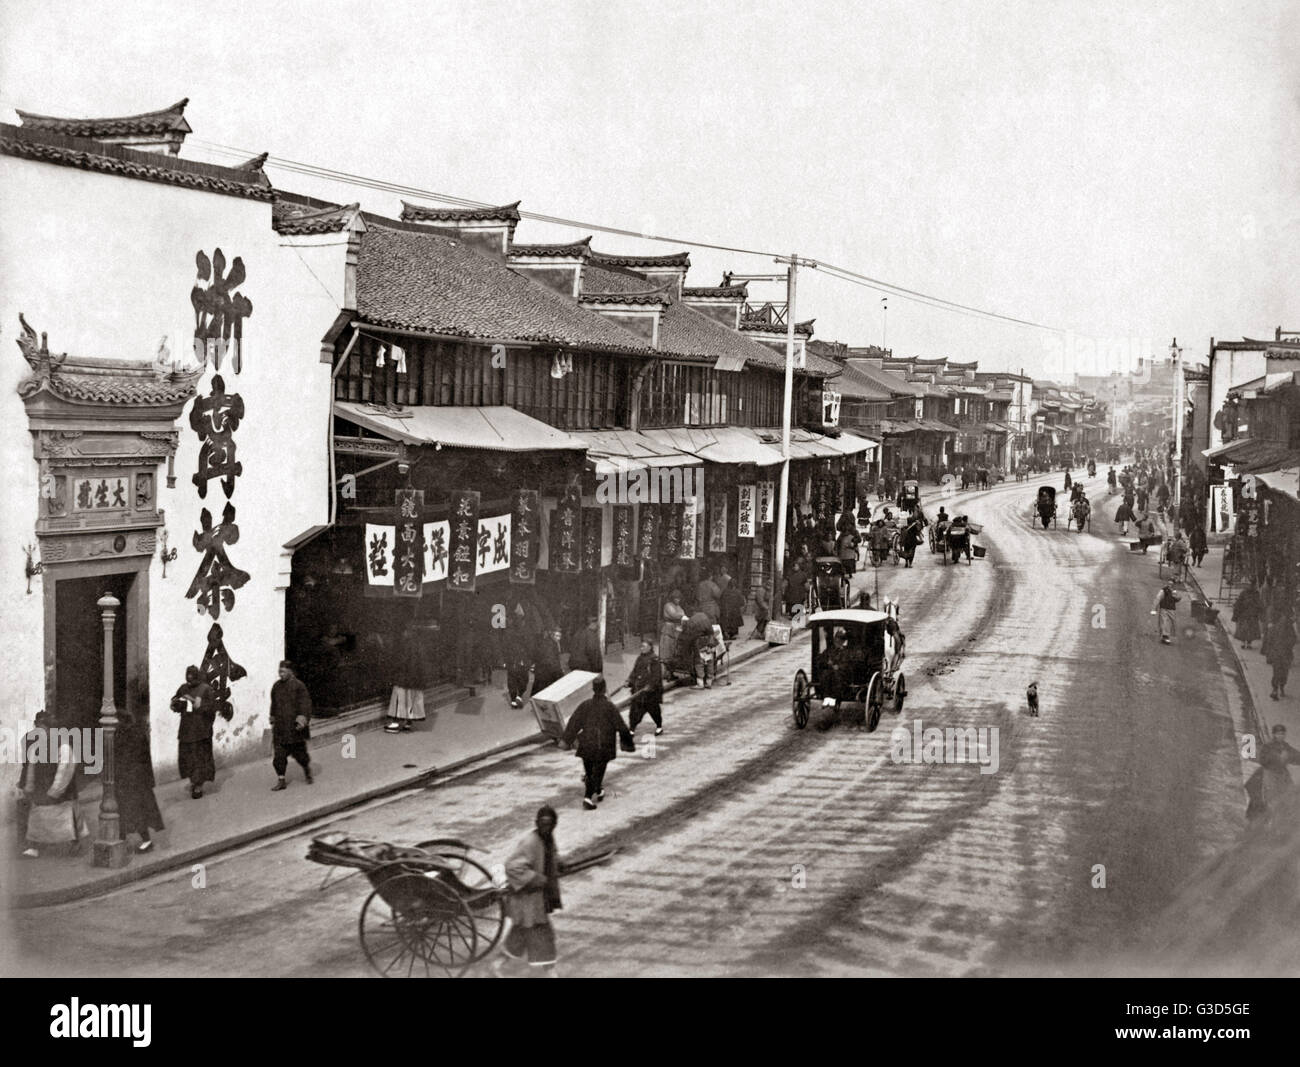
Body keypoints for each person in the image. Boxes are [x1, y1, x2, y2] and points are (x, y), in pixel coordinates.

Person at [494, 805, 563, 977]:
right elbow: (512, 867)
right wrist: (537, 878)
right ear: (536, 823)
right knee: (541, 934)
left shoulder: (547, 839)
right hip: (527, 900)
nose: (546, 828)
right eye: (543, 824)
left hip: (534, 901)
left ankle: (497, 964)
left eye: (550, 825)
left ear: (554, 825)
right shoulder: (530, 842)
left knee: (522, 933)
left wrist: (558, 863)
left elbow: (551, 855)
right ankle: (551, 973)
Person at [17, 710, 86, 859]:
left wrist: (56, 789)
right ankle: (33, 846)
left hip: (62, 789)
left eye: (42, 728)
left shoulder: (63, 745)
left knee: (68, 817)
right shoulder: (35, 745)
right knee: (37, 817)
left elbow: (65, 768)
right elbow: (31, 766)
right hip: (42, 787)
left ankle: (75, 843)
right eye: (37, 727)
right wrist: (29, 785)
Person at [561, 677, 634, 810]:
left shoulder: (585, 705)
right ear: (605, 689)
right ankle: (588, 798)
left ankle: (598, 790)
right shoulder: (609, 707)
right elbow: (621, 726)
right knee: (597, 772)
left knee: (590, 772)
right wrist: (628, 742)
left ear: (593, 689)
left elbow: (574, 722)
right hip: (603, 746)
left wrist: (566, 739)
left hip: (586, 744)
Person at [115, 705, 165, 853]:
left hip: (131, 780)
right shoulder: (135, 733)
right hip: (135, 779)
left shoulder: (125, 735)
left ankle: (144, 840)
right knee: (129, 810)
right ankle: (125, 839)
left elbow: (127, 758)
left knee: (134, 810)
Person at [171, 665, 216, 798]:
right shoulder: (183, 688)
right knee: (188, 758)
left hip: (200, 731)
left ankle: (198, 785)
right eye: (188, 679)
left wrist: (200, 705)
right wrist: (175, 704)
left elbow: (212, 709)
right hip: (186, 729)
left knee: (199, 759)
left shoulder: (205, 689)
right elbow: (176, 701)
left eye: (192, 679)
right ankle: (193, 780)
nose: (189, 682)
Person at [269, 660, 313, 790]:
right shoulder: (276, 686)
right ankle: (281, 780)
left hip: (294, 730)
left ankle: (306, 770)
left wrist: (302, 719)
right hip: (281, 729)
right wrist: (272, 717)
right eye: (279, 671)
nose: (280, 674)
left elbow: (305, 704)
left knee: (301, 756)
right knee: (278, 757)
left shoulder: (299, 686)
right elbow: (274, 704)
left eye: (283, 671)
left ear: (290, 672)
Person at [1245, 725, 1300, 820]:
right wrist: (1278, 758)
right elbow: (1263, 760)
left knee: (1289, 795)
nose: (1281, 736)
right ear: (1274, 734)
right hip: (1268, 773)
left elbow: (1295, 756)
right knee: (1264, 797)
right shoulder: (1268, 746)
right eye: (1278, 734)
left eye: (1283, 734)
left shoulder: (1285, 746)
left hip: (1281, 775)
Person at [386, 623, 429, 732]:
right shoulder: (419, 644)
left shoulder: (406, 644)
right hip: (415, 677)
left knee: (399, 699)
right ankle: (408, 723)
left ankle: (395, 724)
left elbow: (403, 662)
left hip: (405, 677)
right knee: (411, 699)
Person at [620, 637, 664, 735]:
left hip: (650, 693)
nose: (641, 648)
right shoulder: (640, 658)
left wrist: (651, 686)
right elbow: (634, 672)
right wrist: (629, 681)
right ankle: (631, 729)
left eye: (644, 646)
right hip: (638, 689)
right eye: (641, 646)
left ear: (650, 647)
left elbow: (657, 676)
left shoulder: (654, 660)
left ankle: (659, 726)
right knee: (634, 711)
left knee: (654, 710)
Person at [1262, 609, 1296, 700]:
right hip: (1286, 654)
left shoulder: (1273, 628)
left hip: (1276, 653)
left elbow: (1269, 641)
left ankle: (1275, 689)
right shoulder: (1290, 628)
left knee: (1276, 671)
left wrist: (1268, 654)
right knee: (1284, 671)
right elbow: (1293, 640)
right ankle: (1281, 687)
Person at [531, 629, 564, 695]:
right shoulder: (551, 645)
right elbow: (551, 660)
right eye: (557, 636)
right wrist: (560, 673)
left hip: (542, 671)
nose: (558, 638)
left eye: (560, 636)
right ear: (552, 635)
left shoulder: (549, 642)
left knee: (538, 690)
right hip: (546, 672)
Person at [1233, 581, 1264, 649]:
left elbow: (1259, 604)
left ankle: (1248, 643)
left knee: (1249, 630)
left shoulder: (1255, 594)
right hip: (1246, 614)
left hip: (1251, 615)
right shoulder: (1245, 593)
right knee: (1246, 629)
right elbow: (1238, 603)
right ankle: (1244, 643)